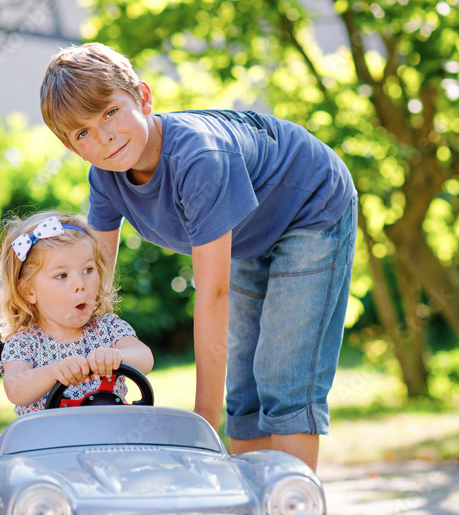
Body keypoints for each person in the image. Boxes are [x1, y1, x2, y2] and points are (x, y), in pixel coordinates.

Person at [40, 43, 356, 470]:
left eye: (110, 112)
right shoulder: (106, 177)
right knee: (244, 389)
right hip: (249, 230)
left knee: (283, 376)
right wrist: (56, 345)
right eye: (83, 133)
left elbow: (213, 296)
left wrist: (201, 427)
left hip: (310, 205)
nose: (104, 137)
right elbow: (95, 280)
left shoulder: (199, 159)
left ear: (144, 97)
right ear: (73, 148)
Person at [0, 210, 154, 415]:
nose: (80, 284)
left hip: (109, 437)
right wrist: (54, 372)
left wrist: (116, 356)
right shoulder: (24, 344)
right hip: (49, 445)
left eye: (87, 270)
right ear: (29, 291)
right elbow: (16, 388)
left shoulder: (108, 328)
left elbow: (145, 357)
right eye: (62, 275)